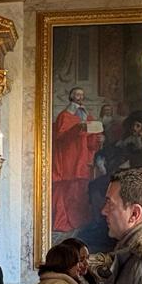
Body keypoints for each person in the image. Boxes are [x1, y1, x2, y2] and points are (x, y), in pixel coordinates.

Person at [51, 86, 104, 232]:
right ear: (71, 96)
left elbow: (92, 140)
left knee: (81, 192)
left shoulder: (86, 114)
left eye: (81, 94)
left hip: (83, 158)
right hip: (70, 158)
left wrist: (98, 139)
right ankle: (67, 221)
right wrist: (77, 129)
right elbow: (60, 137)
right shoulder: (65, 116)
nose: (80, 97)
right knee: (69, 191)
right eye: (77, 94)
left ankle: (81, 221)